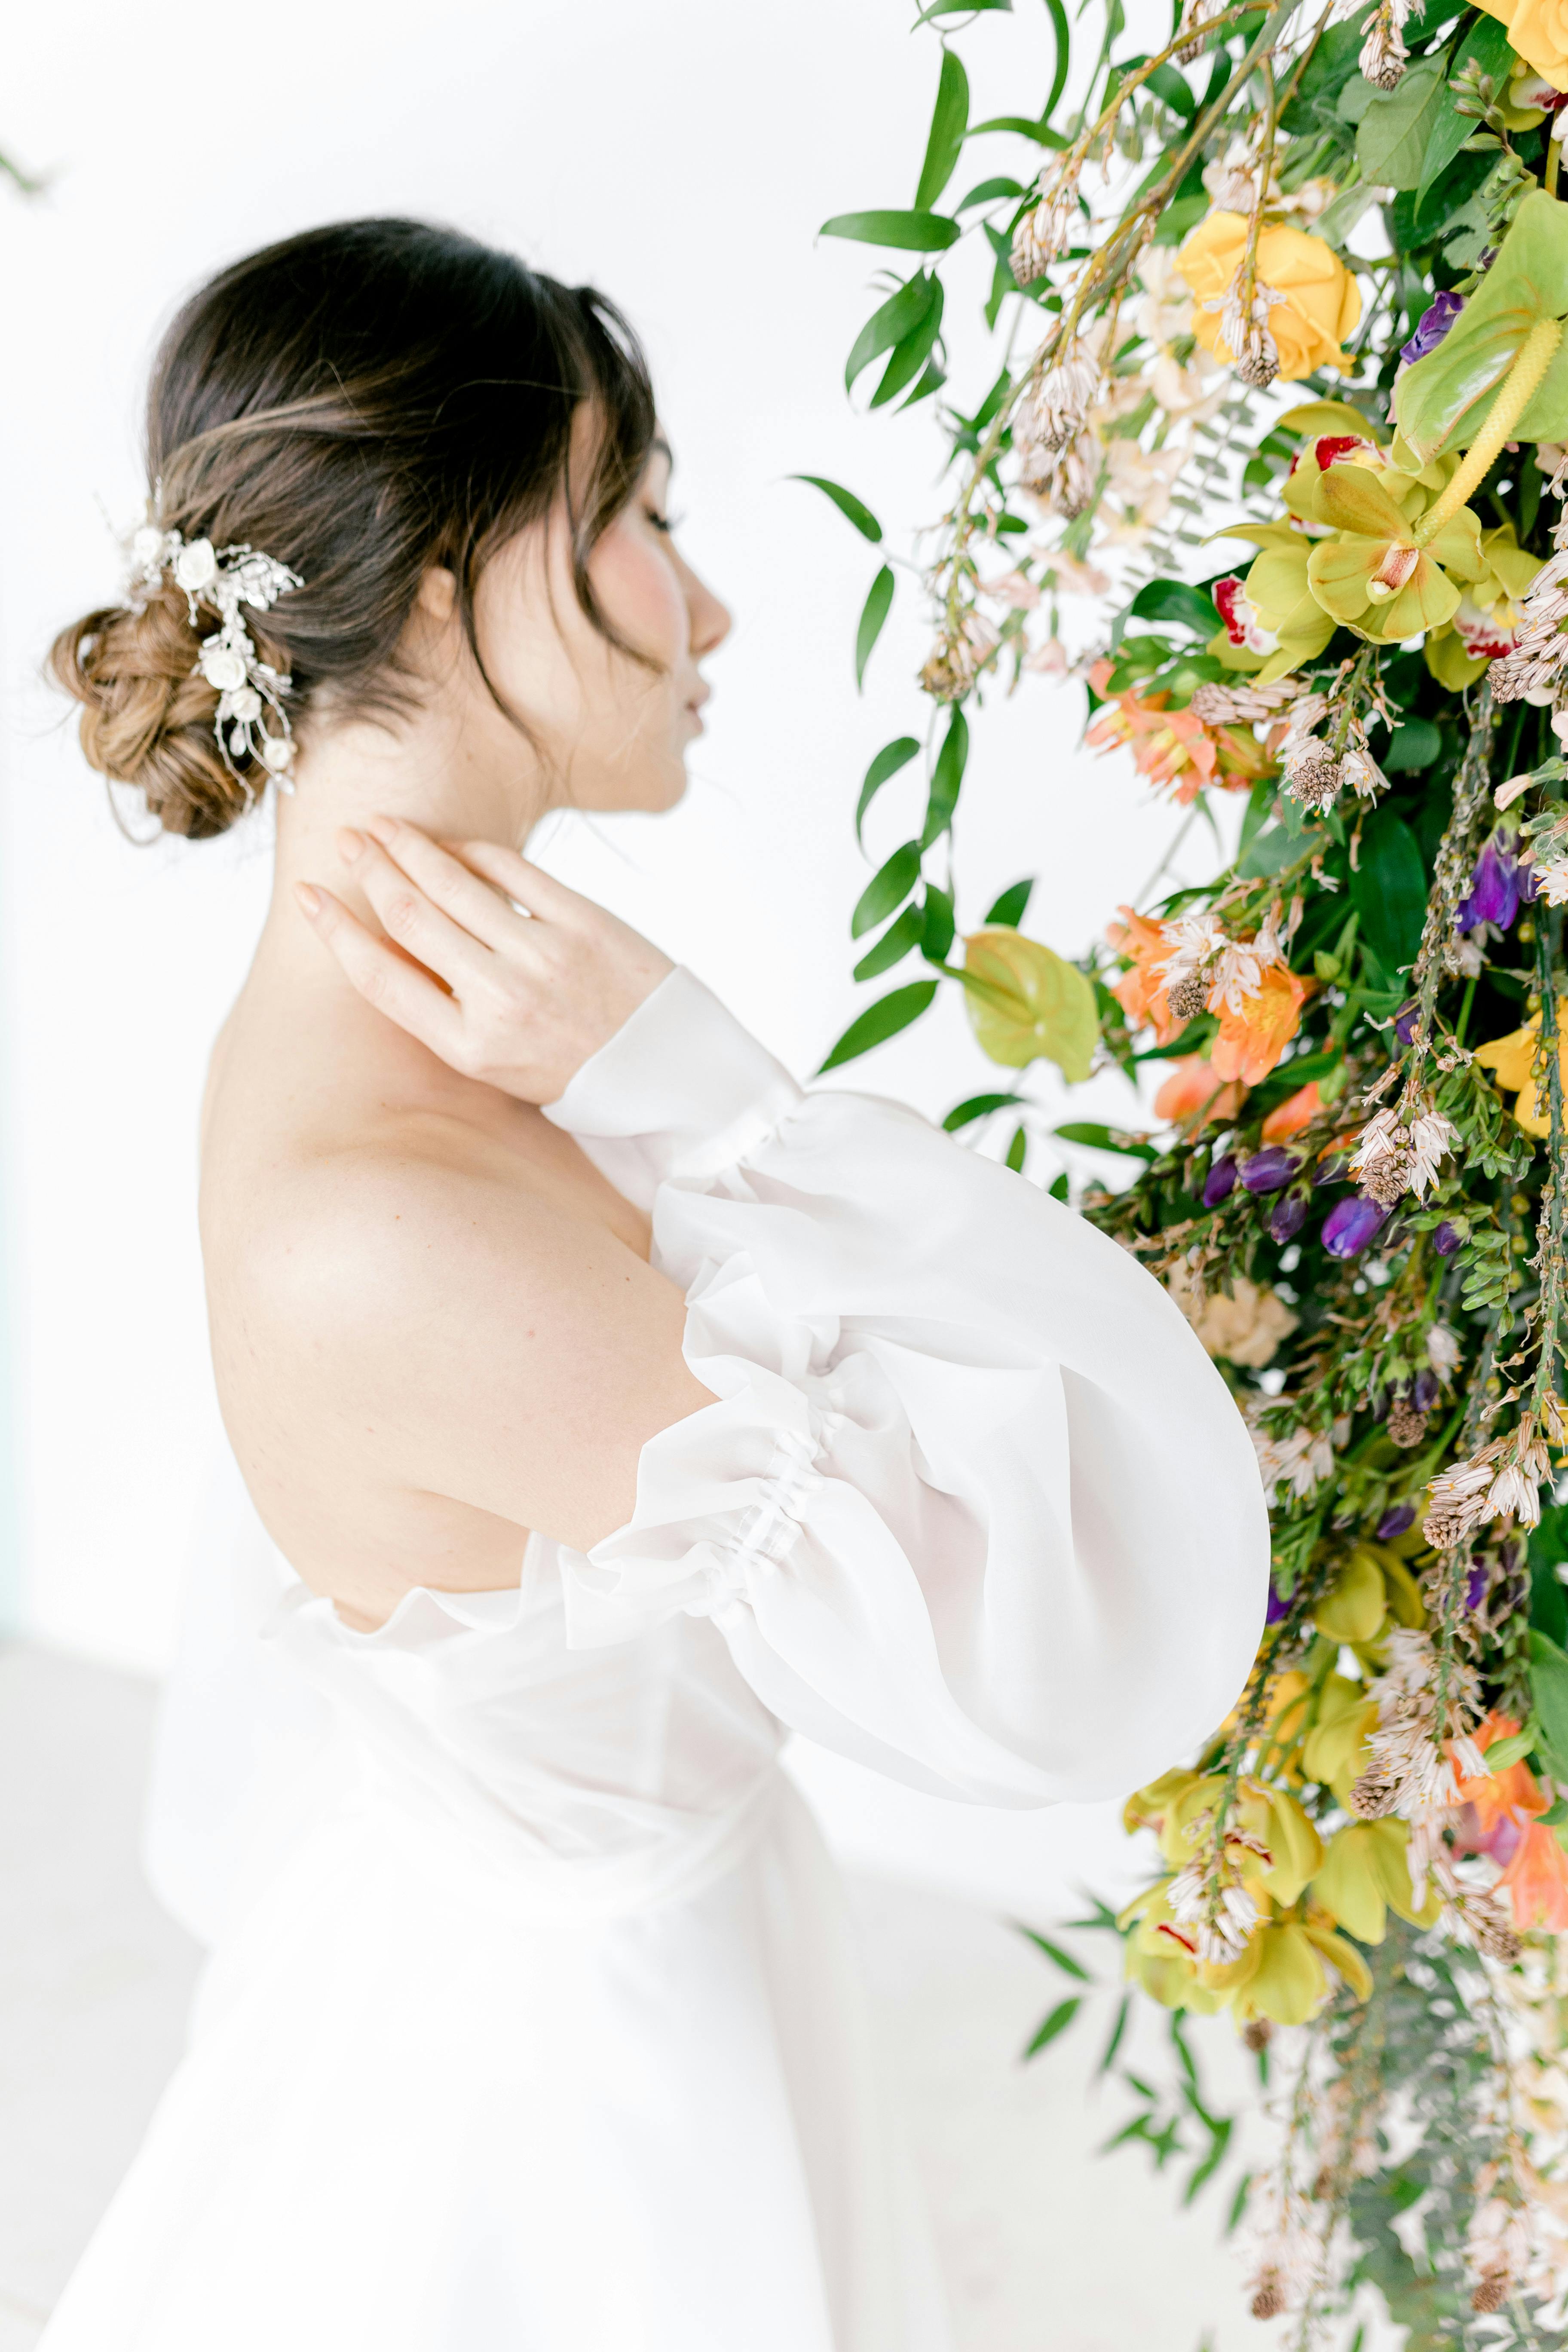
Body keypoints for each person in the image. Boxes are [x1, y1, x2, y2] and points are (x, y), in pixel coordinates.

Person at [41, 216, 1268, 2352]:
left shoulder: (438, 1032)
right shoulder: (394, 1200)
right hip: (573, 2106)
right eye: (644, 522)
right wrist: (728, 1112)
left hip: (614, 1950)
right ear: (461, 569)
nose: (703, 609)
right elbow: (1039, 1655)